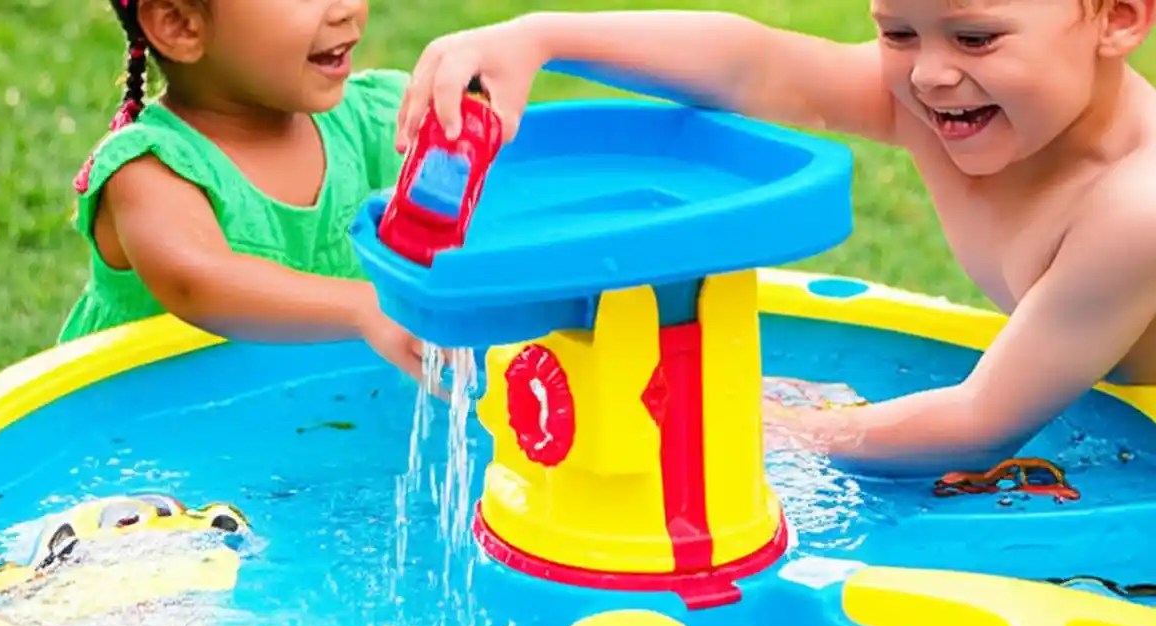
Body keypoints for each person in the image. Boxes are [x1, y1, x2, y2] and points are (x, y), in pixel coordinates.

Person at [396, 0, 1156, 476]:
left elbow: (977, 422)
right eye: (896, 32)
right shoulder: (944, 98)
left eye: (977, 37)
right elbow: (753, 66)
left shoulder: (1134, 206)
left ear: (1119, 18)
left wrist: (765, 428)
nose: (929, 74)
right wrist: (539, 37)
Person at [59, 0, 427, 380]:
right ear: (179, 24)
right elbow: (197, 281)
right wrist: (364, 308)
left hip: (305, 411)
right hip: (142, 423)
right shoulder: (150, 170)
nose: (346, 9)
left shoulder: (373, 120)